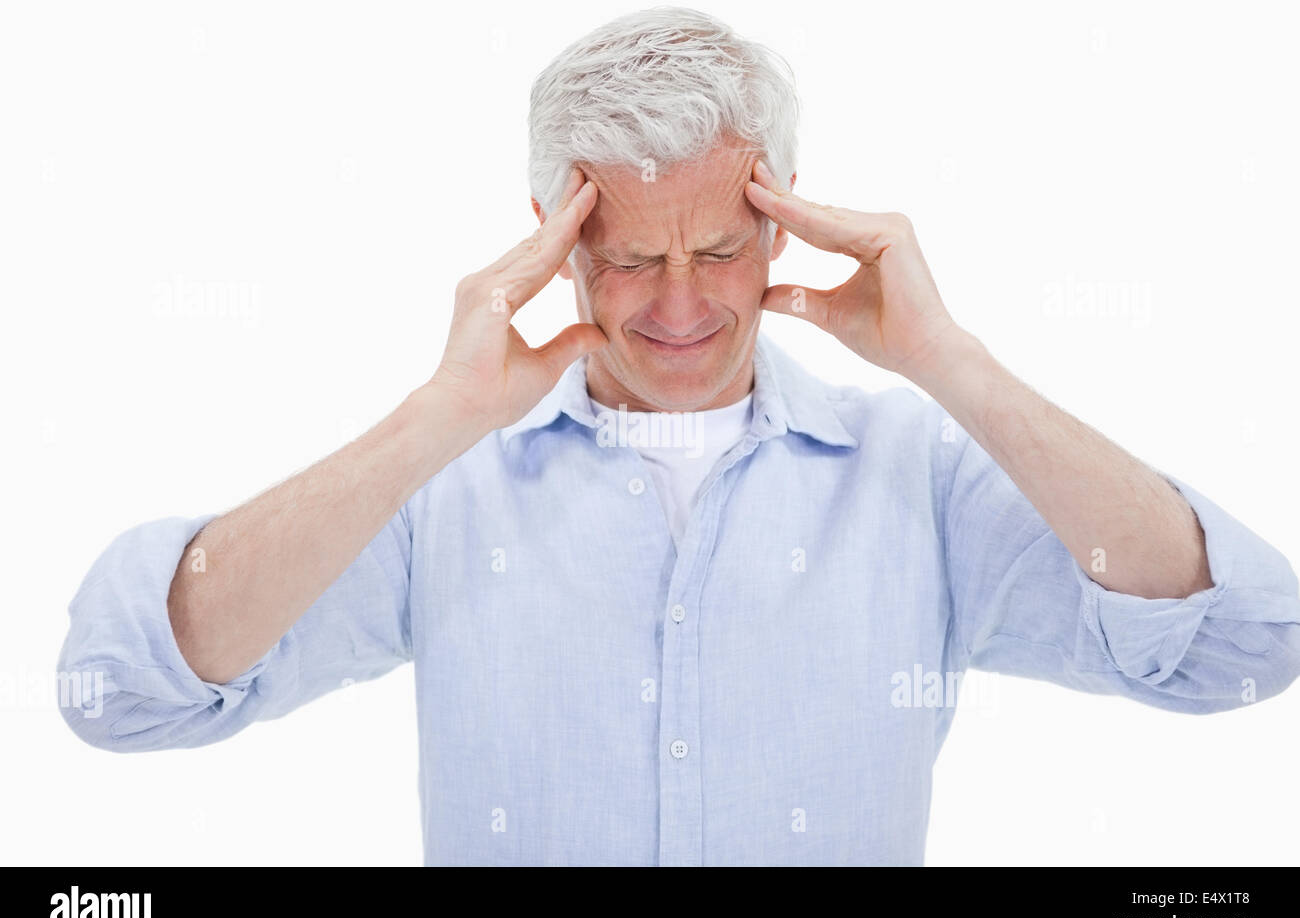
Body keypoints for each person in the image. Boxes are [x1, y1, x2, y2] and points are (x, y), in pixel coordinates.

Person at [57, 8, 1300, 865]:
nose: (679, 303)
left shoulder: (916, 477)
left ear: (782, 225)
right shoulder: (451, 491)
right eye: (628, 256)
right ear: (552, 233)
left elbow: (1236, 640)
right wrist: (437, 416)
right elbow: (127, 687)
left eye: (716, 248)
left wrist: (949, 362)